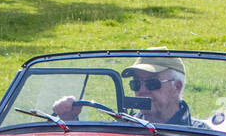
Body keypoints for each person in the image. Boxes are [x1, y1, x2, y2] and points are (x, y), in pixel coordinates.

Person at [52, 52, 201, 127]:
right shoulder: (123, 129)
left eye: (152, 83)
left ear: (177, 86)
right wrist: (69, 119)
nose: (141, 90)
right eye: (135, 84)